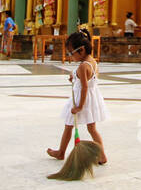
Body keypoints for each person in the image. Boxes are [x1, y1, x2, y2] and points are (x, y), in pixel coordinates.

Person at [45, 28, 108, 166]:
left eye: (71, 53)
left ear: (82, 50)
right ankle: (102, 155)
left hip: (81, 99)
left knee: (68, 124)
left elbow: (84, 87)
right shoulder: (92, 61)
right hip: (92, 98)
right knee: (92, 128)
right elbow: (88, 80)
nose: (70, 56)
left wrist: (79, 106)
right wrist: (75, 78)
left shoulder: (82, 67)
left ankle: (61, 152)